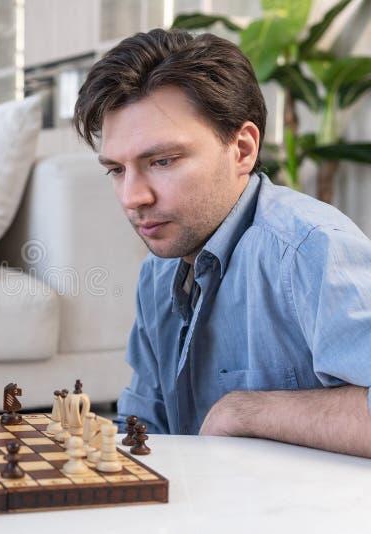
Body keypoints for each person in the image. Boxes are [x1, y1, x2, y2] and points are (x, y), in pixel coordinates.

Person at [74, 29, 371, 457]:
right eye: (117, 170)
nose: (132, 197)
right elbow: (147, 429)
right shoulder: (160, 270)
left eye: (162, 161)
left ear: (243, 149)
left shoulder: (310, 250)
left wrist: (247, 412)